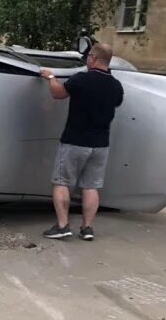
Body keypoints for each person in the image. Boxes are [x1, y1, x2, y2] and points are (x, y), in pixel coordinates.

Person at [40, 42, 124, 241]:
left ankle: (62, 226)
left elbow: (57, 93)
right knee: (91, 186)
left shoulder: (81, 79)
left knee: (62, 183)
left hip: (74, 141)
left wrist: (50, 77)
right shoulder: (116, 85)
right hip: (101, 144)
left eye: (88, 57)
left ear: (93, 58)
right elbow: (117, 103)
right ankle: (87, 228)